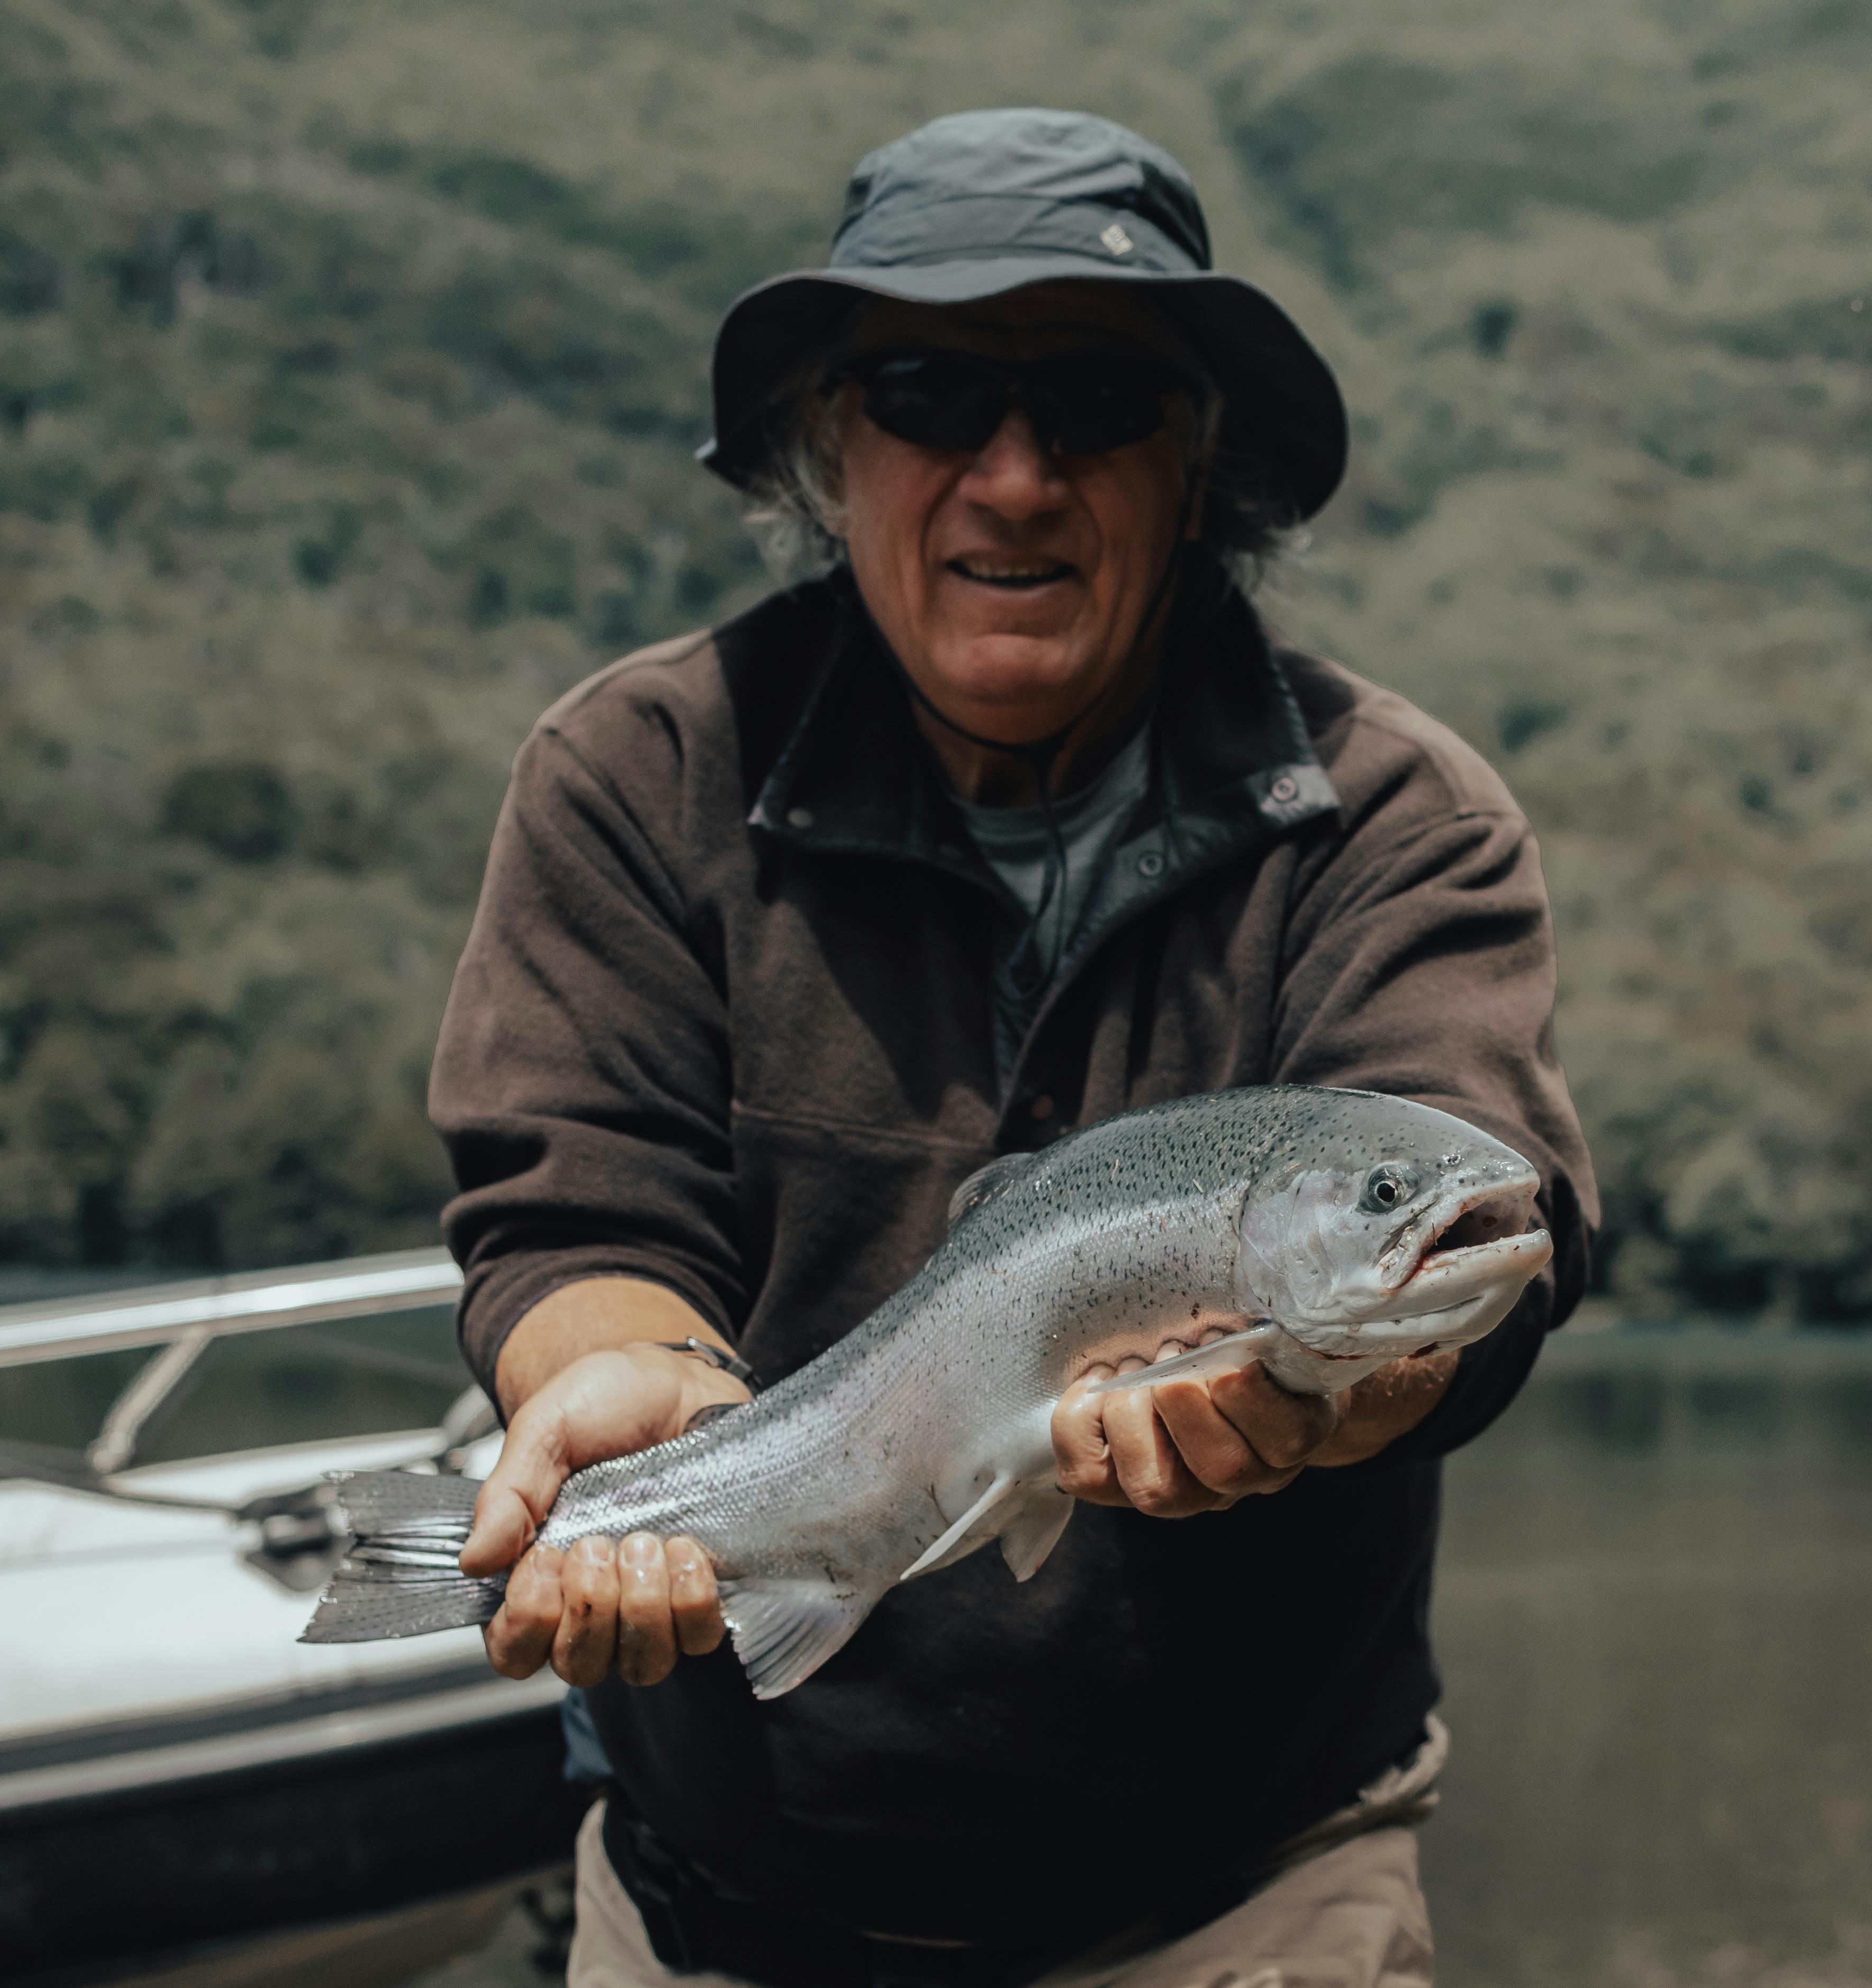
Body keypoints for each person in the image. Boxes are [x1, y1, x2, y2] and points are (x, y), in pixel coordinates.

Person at [431, 108, 1598, 1988]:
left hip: (1247, 1904)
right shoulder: (636, 779)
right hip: (721, 1910)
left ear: (1196, 459)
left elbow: (1473, 1184)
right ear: (829, 443)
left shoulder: (1394, 818)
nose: (1014, 476)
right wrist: (631, 1374)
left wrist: (1320, 1397)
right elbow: (570, 1208)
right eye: (925, 391)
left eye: (1096, 404)